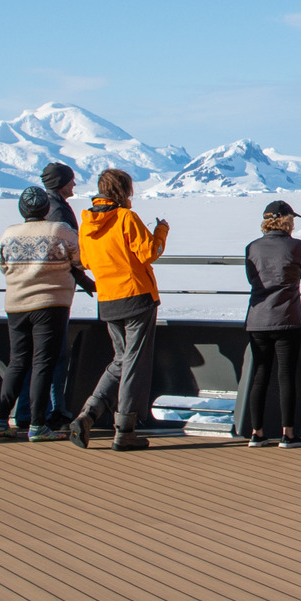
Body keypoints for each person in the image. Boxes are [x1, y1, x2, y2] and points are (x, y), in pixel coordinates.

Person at [67, 168, 169, 451]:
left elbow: (86, 261)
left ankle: (88, 414)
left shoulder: (87, 224)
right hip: (136, 296)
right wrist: (161, 229)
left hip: (108, 299)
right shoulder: (126, 217)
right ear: (124, 190)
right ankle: (125, 429)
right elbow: (149, 252)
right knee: (134, 362)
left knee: (121, 360)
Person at [0, 187, 80, 441]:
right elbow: (80, 258)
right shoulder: (60, 230)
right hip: (51, 303)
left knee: (17, 362)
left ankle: (1, 421)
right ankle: (37, 425)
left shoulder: (9, 234)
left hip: (16, 304)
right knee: (43, 363)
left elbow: (2, 264)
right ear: (45, 209)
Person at [13, 161, 93, 430]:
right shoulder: (56, 210)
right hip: (51, 294)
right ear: (61, 182)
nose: (74, 184)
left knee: (32, 356)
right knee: (50, 356)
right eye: (71, 180)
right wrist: (83, 279)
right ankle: (47, 413)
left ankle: (23, 414)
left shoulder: (48, 205)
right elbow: (64, 251)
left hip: (27, 294)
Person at [244, 199, 301, 448]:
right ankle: (288, 434)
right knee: (286, 375)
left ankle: (257, 432)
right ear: (287, 221)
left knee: (260, 374)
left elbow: (251, 278)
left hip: (257, 319)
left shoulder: (252, 248)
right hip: (287, 318)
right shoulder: (296, 246)